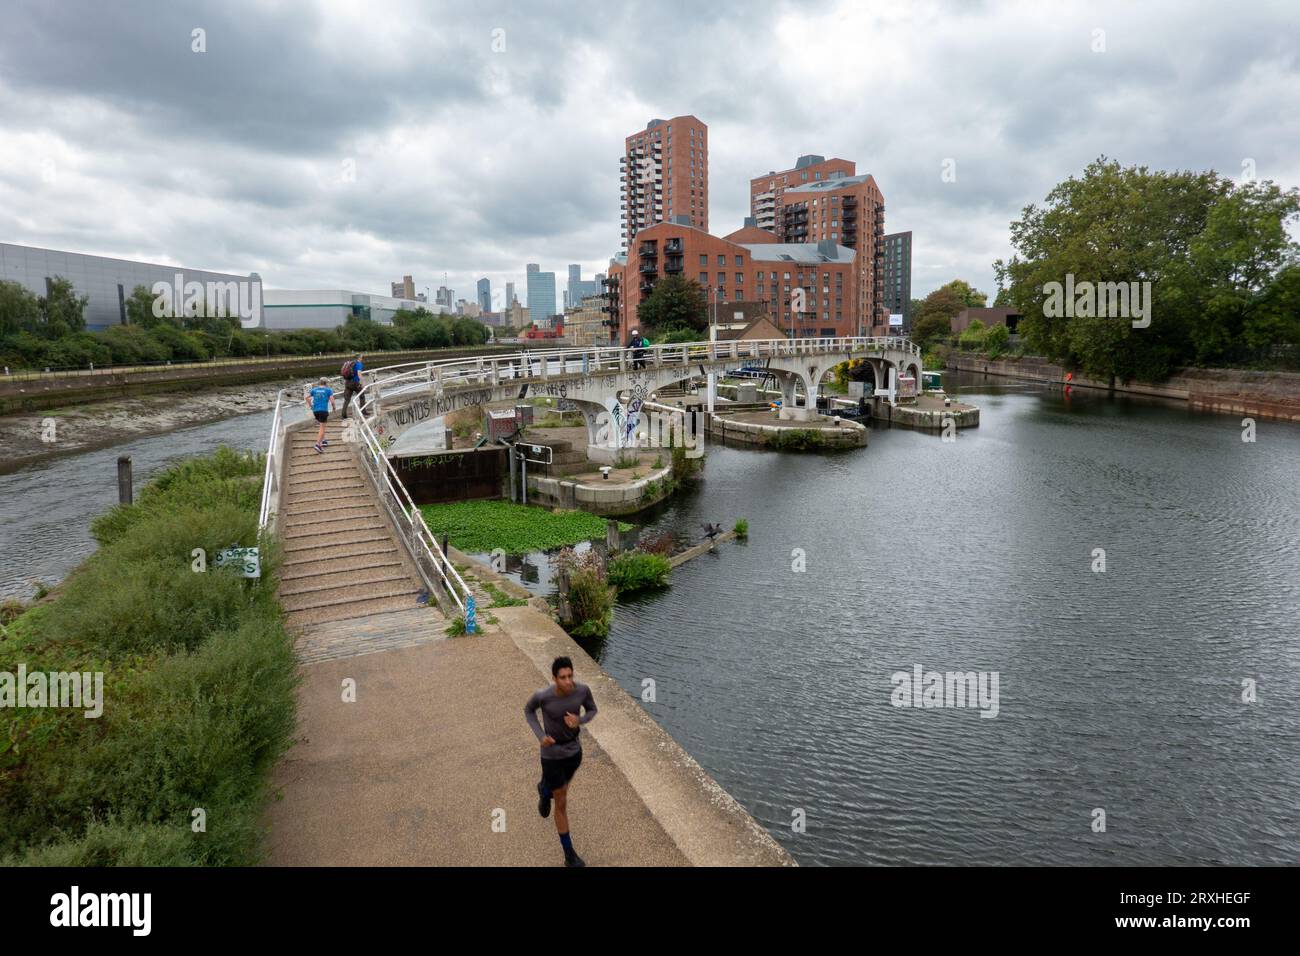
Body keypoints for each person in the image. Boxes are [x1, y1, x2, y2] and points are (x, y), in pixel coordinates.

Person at [524, 656, 597, 867]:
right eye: (563, 677)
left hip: (574, 753)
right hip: (551, 755)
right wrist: (540, 736)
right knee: (562, 800)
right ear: (554, 678)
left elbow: (592, 709)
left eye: (570, 676)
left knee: (559, 790)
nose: (568, 681)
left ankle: (544, 790)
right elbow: (528, 711)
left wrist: (580, 721)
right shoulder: (543, 696)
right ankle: (569, 855)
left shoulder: (582, 691)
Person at [307, 376, 334, 453]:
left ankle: (323, 441)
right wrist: (334, 407)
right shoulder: (328, 390)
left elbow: (307, 398)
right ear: (326, 383)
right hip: (323, 410)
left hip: (315, 411)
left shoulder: (314, 390)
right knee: (322, 428)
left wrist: (311, 405)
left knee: (321, 425)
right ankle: (317, 444)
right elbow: (332, 401)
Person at [341, 353, 366, 418]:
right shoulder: (358, 364)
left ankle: (343, 415)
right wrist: (362, 383)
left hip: (348, 382)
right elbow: (359, 374)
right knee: (362, 396)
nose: (362, 359)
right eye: (362, 358)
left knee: (347, 399)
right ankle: (363, 411)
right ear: (359, 358)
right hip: (355, 382)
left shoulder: (350, 363)